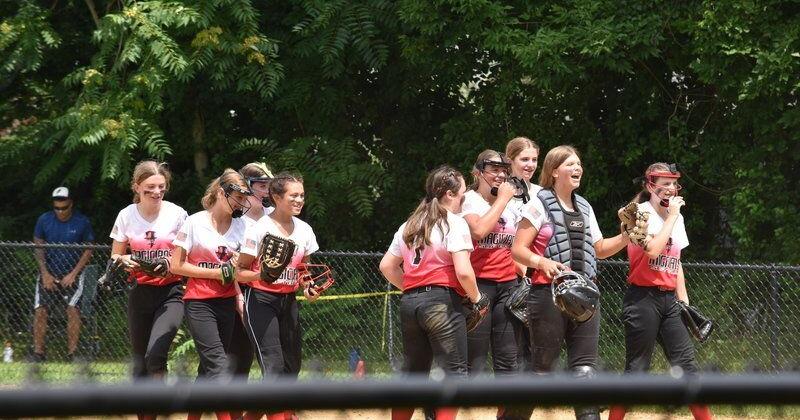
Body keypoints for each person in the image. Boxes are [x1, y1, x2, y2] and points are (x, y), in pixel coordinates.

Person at [510, 145, 628, 420]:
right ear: (553, 172)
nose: (578, 169)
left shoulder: (585, 206)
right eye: (570, 164)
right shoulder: (539, 203)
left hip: (585, 296)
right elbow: (518, 249)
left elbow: (598, 248)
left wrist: (625, 238)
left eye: (579, 164)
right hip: (547, 294)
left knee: (585, 370)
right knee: (542, 370)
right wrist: (542, 262)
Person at [607, 164, 713, 420]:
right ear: (649, 186)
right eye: (662, 183)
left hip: (669, 301)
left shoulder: (677, 217)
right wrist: (672, 216)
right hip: (641, 299)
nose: (669, 188)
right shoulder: (637, 214)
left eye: (672, 183)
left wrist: (684, 301)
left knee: (687, 368)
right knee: (637, 370)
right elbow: (653, 250)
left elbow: (676, 263)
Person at [379, 165, 482, 420]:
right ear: (448, 194)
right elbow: (465, 272)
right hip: (442, 304)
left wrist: (413, 288)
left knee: (413, 375)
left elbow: (386, 266)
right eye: (461, 195)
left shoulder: (410, 224)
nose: (462, 200)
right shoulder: (454, 223)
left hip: (411, 304)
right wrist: (478, 298)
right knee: (455, 374)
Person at [236, 172, 320, 420]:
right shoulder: (260, 228)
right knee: (273, 368)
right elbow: (239, 272)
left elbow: (304, 270)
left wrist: (308, 286)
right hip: (260, 301)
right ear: (275, 196)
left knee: (291, 369)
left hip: (288, 302)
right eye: (293, 195)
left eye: (302, 195)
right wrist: (262, 274)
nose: (299, 200)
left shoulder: (304, 229)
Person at [171, 169, 251, 420]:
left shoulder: (244, 226)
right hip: (199, 302)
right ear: (220, 193)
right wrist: (217, 273)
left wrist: (241, 264)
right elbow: (176, 265)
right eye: (236, 197)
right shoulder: (194, 222)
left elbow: (248, 265)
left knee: (207, 370)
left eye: (242, 198)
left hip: (226, 302)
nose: (241, 203)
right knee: (218, 366)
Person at [109, 161, 188, 388]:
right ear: (136, 187)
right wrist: (125, 260)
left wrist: (169, 263)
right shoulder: (126, 215)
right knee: (140, 362)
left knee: (156, 355)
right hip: (139, 291)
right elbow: (115, 256)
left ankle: (159, 402)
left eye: (161, 187)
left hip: (171, 291)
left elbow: (188, 255)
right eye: (150, 187)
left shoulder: (177, 214)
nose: (157, 192)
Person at [460, 150, 525, 384]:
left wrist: (525, 272)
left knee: (508, 358)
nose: (500, 175)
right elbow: (478, 231)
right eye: (494, 170)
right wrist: (502, 200)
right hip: (478, 286)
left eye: (503, 170)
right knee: (473, 359)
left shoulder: (511, 204)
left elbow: (513, 246)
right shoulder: (469, 199)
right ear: (478, 172)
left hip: (508, 284)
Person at [32, 186, 95, 362]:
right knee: (40, 310)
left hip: (72, 273)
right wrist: (44, 273)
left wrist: (74, 274)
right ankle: (38, 353)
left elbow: (89, 248)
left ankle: (72, 353)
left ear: (71, 204)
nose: (60, 211)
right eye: (57, 208)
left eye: (64, 208)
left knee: (73, 309)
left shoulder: (82, 221)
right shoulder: (44, 220)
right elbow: (38, 243)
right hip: (49, 273)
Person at [227, 162, 275, 381]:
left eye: (269, 185)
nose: (267, 191)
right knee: (240, 357)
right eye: (261, 185)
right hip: (243, 290)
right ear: (247, 185)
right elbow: (232, 262)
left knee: (276, 360)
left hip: (270, 292)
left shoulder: (274, 214)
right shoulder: (237, 219)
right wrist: (238, 296)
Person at [505, 136, 541, 372]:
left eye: (534, 159)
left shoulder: (541, 193)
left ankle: (525, 403)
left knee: (532, 346)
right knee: (509, 347)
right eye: (524, 159)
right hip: (503, 276)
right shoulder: (499, 193)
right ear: (510, 161)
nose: (530, 164)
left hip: (533, 276)